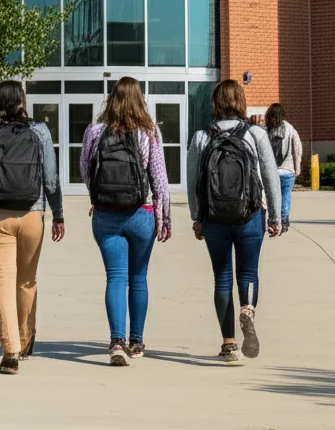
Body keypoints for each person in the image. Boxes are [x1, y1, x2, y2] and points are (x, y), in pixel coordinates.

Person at [0, 80, 64, 375]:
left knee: (3, 282)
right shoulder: (40, 131)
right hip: (32, 214)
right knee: (27, 280)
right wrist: (58, 214)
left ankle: (9, 351)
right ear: (21, 101)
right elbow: (50, 179)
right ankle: (24, 340)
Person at [187, 79, 281, 364]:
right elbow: (270, 176)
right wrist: (276, 215)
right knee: (248, 273)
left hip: (214, 216)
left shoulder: (202, 137)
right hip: (250, 213)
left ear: (214, 103)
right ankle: (248, 309)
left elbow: (193, 182)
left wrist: (196, 217)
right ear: (240, 101)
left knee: (222, 276)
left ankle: (228, 344)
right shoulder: (255, 134)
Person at [80, 76, 171, 366]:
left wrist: (97, 197)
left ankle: (116, 341)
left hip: (106, 213)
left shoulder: (95, 131)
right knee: (139, 278)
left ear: (112, 98)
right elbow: (160, 180)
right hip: (141, 213)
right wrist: (163, 216)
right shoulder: (149, 131)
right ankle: (137, 341)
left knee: (116, 277)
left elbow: (85, 169)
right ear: (139, 98)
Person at [264, 103, 302, 232]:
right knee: (285, 196)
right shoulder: (290, 129)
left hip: (271, 171)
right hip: (287, 170)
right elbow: (297, 150)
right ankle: (284, 221)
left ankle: (273, 220)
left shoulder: (266, 129)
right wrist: (297, 169)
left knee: (271, 196)